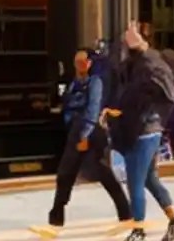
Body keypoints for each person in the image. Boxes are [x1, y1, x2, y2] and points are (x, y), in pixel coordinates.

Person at [36, 47, 131, 237]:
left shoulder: (94, 83)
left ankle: (124, 211)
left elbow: (93, 110)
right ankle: (57, 215)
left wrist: (85, 136)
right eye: (76, 61)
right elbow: (69, 105)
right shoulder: (73, 84)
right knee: (72, 173)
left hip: (89, 132)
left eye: (82, 61)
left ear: (89, 64)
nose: (79, 65)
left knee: (92, 173)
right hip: (75, 131)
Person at [110, 22, 174, 241]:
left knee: (135, 181)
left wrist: (143, 47)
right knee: (148, 179)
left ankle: (139, 231)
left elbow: (153, 74)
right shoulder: (139, 71)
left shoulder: (154, 71)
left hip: (143, 133)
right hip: (144, 131)